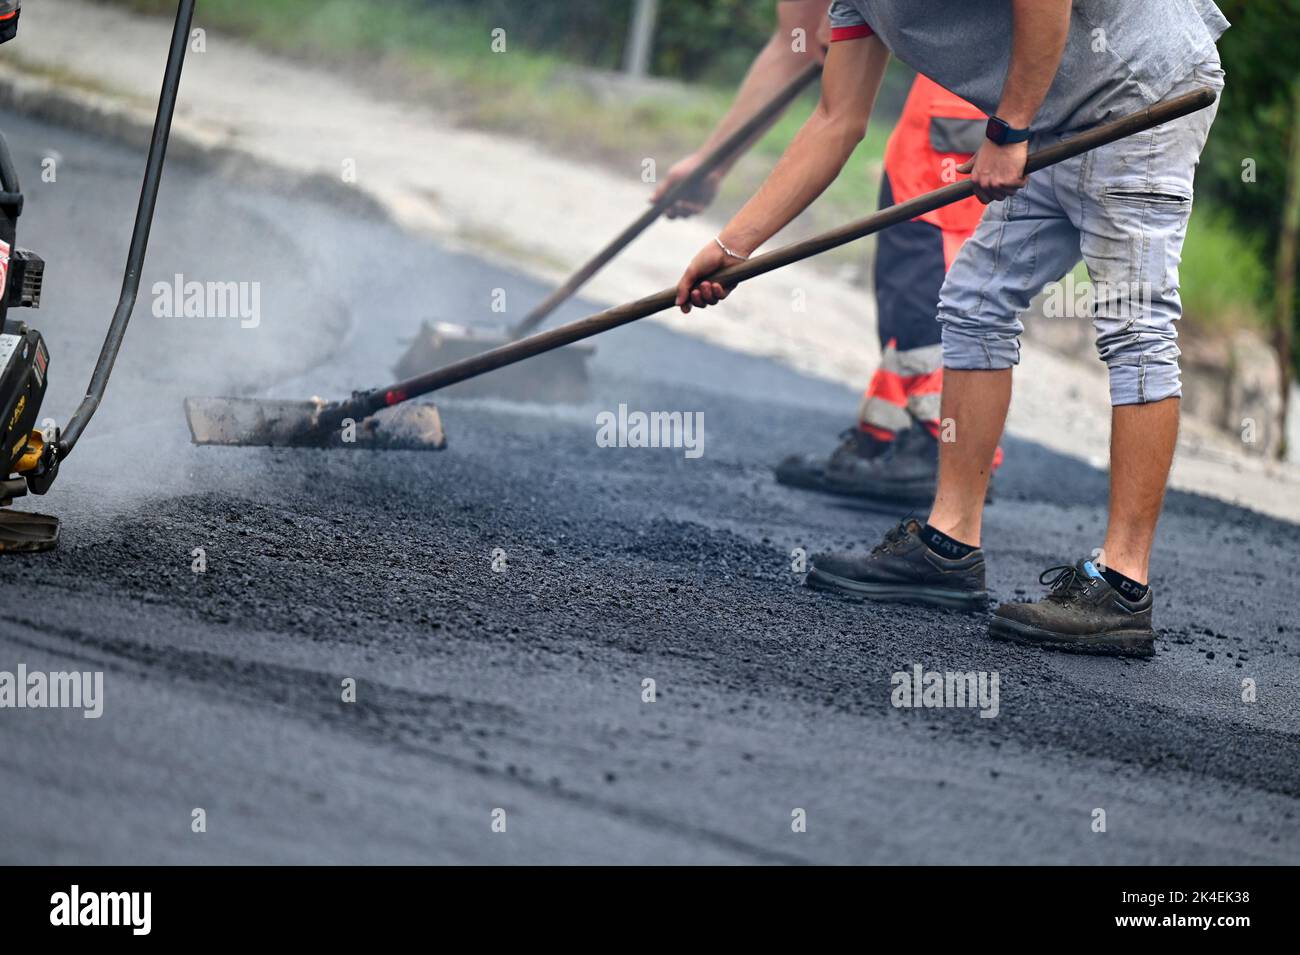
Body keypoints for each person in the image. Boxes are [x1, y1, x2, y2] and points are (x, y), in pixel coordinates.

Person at [672, 0, 1227, 658]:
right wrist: (735, 249)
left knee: (1136, 326)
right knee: (974, 299)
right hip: (1054, 111)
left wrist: (1009, 128)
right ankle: (951, 542)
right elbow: (836, 122)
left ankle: (1123, 585)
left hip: (1145, 90)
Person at [654, 0, 994, 506]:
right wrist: (713, 165)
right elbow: (798, 50)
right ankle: (893, 432)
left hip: (1000, 65)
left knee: (927, 218)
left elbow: (835, 100)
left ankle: (937, 445)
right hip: (980, 61)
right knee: (906, 189)